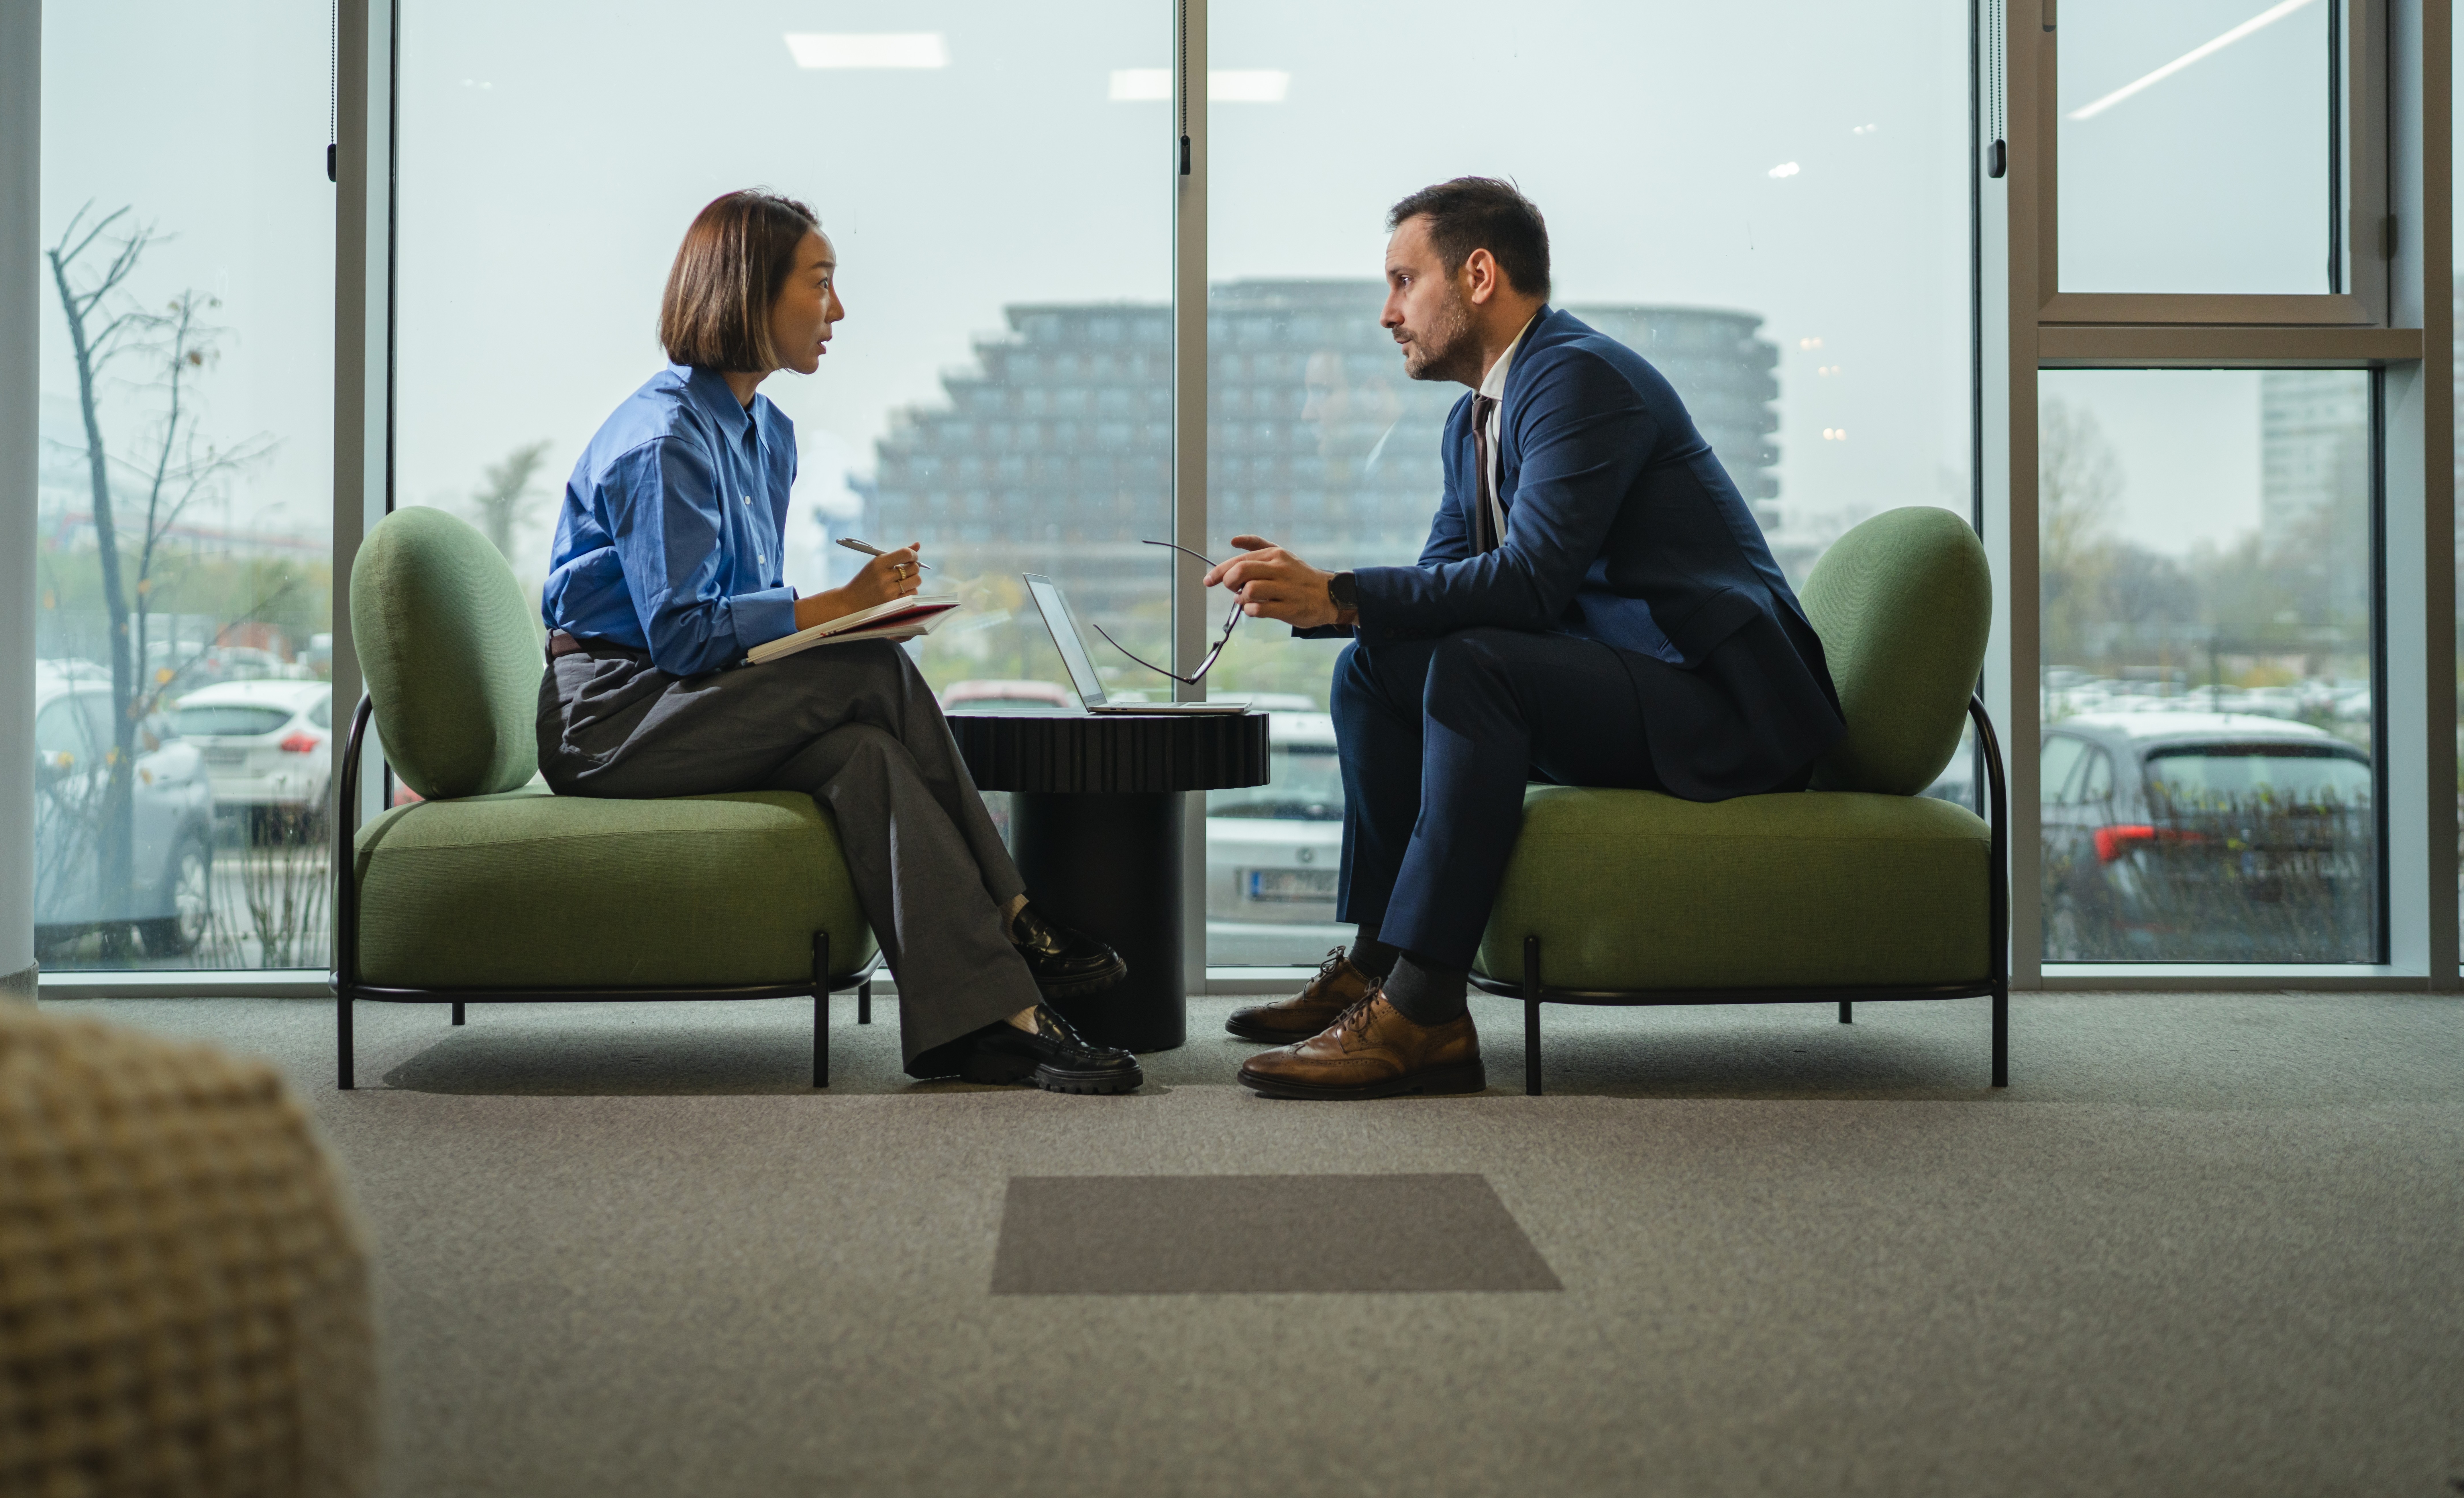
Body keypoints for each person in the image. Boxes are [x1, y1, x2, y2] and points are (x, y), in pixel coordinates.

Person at [1207, 178, 1846, 1100]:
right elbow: (1434, 593)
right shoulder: (1470, 423)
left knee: (1474, 665)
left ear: (1476, 274)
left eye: (1401, 282)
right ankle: (1383, 963)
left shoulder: (1577, 375)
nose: (1388, 315)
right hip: (1624, 681)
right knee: (1374, 670)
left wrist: (1341, 592)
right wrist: (1330, 608)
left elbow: (1532, 581)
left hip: (1721, 703)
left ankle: (1424, 1010)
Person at [535, 188, 1141, 1094]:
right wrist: (837, 612)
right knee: (868, 664)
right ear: (749, 292)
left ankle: (985, 1025)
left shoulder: (766, 435)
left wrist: (850, 611)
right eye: (820, 283)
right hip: (614, 720)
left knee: (867, 757)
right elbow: (687, 636)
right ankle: (1018, 916)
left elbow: (737, 629)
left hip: (691, 704)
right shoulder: (662, 440)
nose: (838, 310)